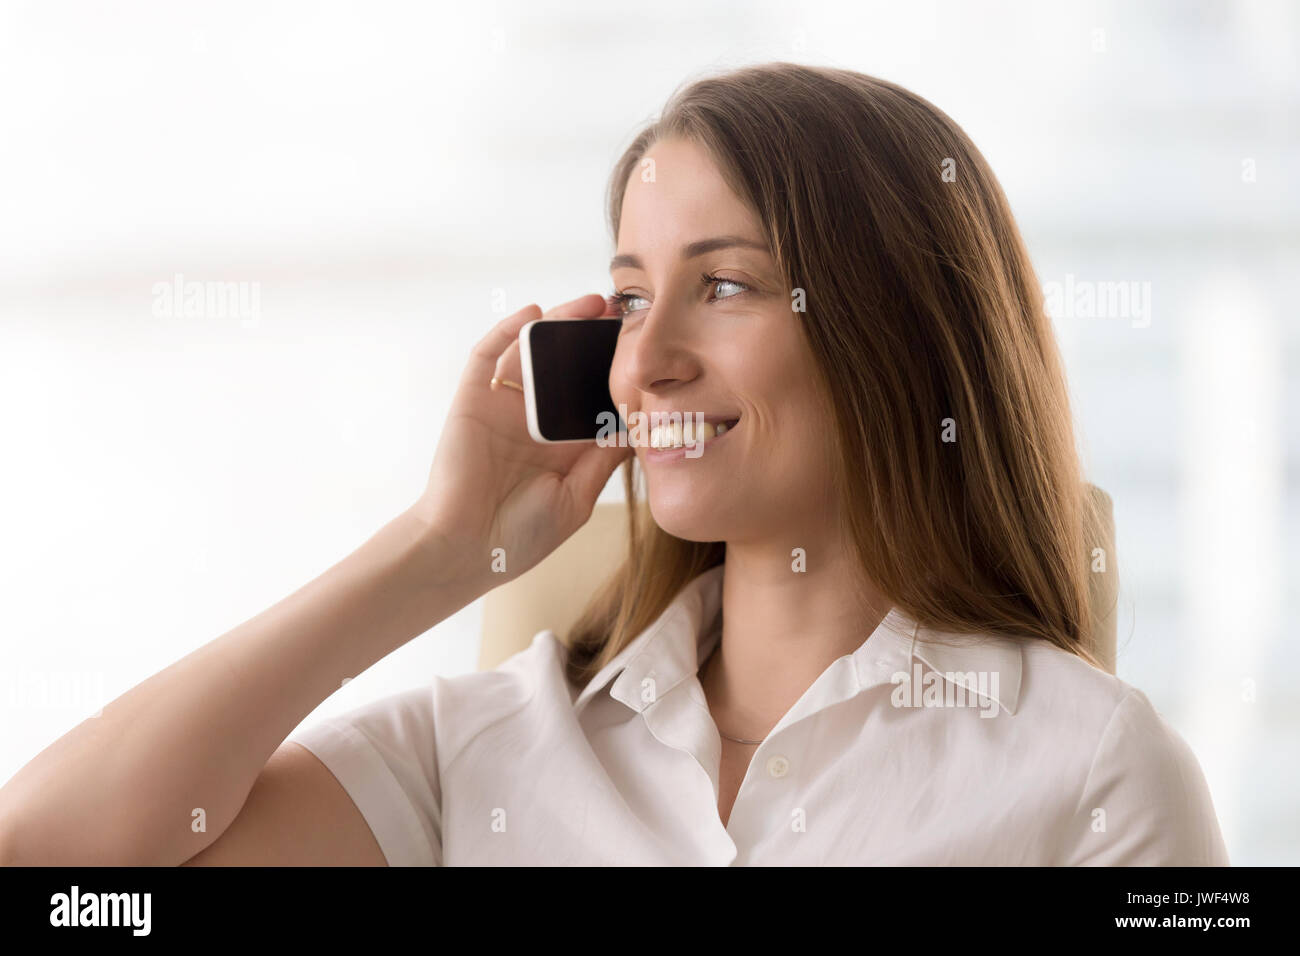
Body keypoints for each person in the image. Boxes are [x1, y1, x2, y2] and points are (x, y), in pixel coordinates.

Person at [0, 62, 1228, 866]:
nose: (649, 363)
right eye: (633, 298)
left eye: (726, 285)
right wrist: (437, 554)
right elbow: (53, 859)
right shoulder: (494, 747)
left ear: (893, 326)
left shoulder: (1092, 765)